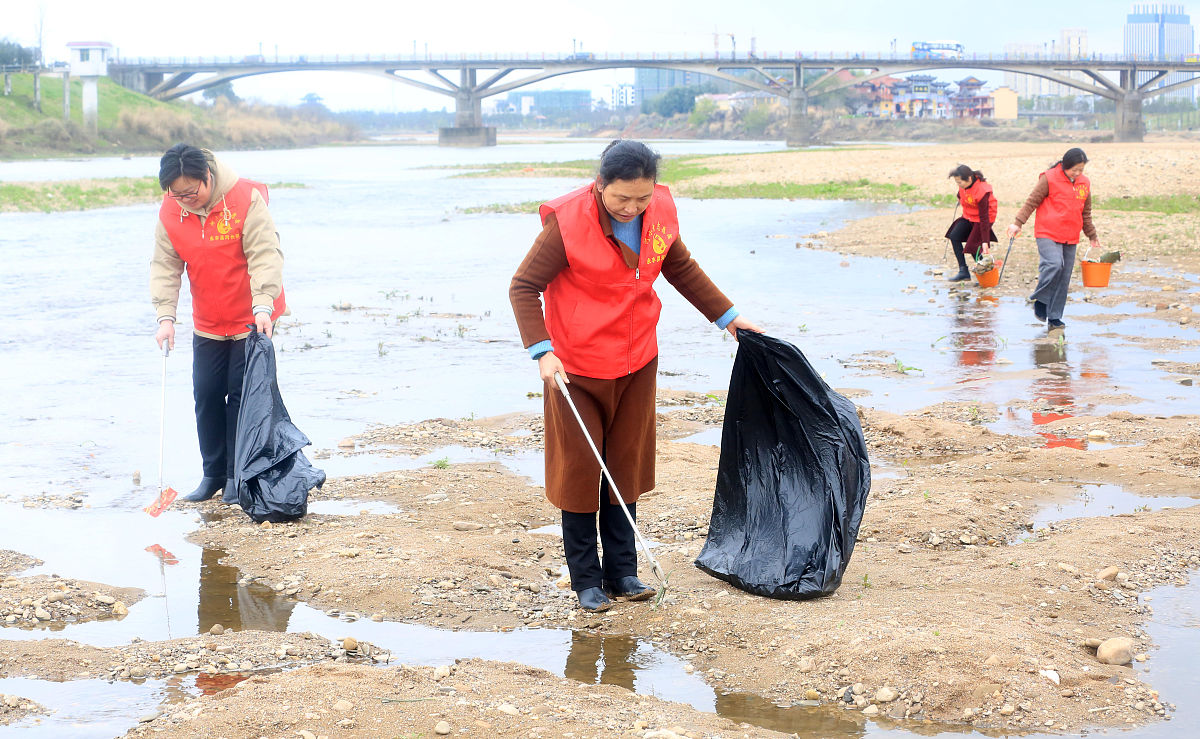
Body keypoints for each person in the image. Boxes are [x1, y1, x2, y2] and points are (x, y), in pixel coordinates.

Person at [509, 140, 763, 613]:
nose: (632, 208)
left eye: (641, 199)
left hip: (636, 360)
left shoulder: (658, 212)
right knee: (583, 471)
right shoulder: (566, 223)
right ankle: (587, 580)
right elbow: (524, 287)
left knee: (622, 466)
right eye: (621, 198)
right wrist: (542, 352)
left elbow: (680, 268)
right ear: (599, 186)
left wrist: (729, 318)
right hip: (576, 368)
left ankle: (623, 573)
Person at [150, 144, 286, 503]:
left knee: (240, 398)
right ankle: (212, 475)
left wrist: (263, 306)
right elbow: (165, 265)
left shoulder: (245, 198)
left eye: (191, 192)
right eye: (176, 194)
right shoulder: (171, 211)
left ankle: (234, 478)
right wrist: (166, 316)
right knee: (206, 393)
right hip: (208, 320)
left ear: (207, 177)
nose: (185, 200)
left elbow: (264, 255)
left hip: (252, 318)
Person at [1006, 147, 1100, 330]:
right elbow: (1031, 201)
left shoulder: (1084, 183)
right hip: (1047, 232)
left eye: (1081, 170)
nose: (1078, 173)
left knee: (1064, 277)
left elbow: (1085, 213)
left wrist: (1092, 235)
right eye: (1074, 169)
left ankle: (1055, 317)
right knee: (1054, 264)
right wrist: (1017, 223)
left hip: (1070, 235)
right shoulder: (1049, 178)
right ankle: (1040, 299)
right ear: (1065, 165)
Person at [944, 164, 997, 282]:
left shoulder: (982, 190)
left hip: (984, 219)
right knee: (954, 236)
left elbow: (984, 217)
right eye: (957, 182)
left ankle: (986, 276)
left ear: (969, 178)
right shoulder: (964, 185)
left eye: (960, 182)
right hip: (969, 216)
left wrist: (985, 241)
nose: (959, 185)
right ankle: (963, 271)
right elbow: (960, 194)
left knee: (974, 247)